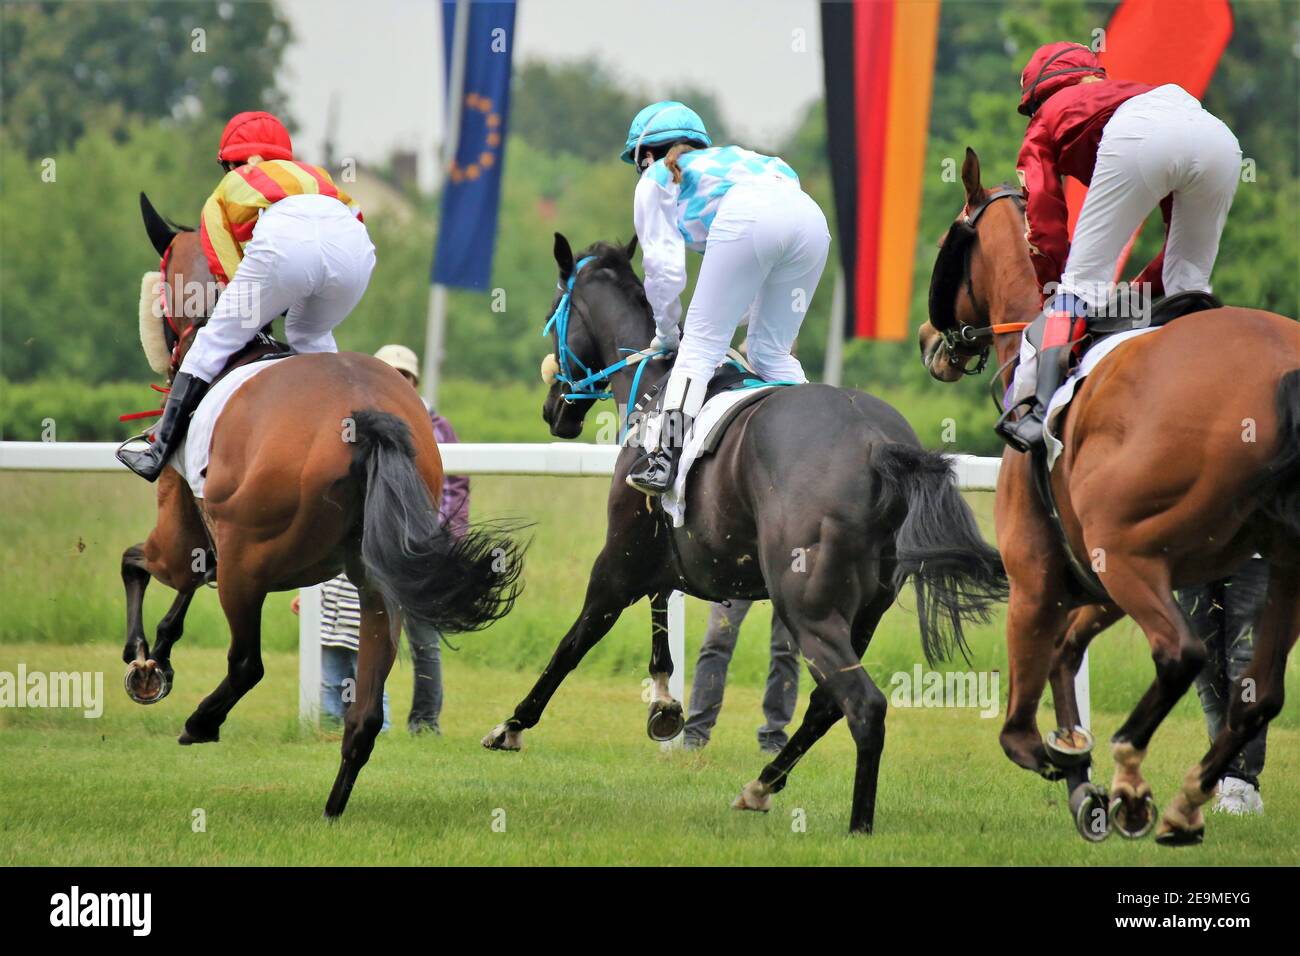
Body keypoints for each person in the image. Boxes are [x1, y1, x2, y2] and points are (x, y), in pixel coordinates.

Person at [998, 42, 1242, 454]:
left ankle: (1036, 411)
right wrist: (1135, 293)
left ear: (1039, 96)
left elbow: (1043, 221)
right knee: (1188, 285)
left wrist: (1054, 288)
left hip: (1139, 135)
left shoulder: (1045, 121)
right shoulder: (1130, 93)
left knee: (1079, 286)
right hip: (1219, 138)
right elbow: (1170, 257)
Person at [118, 110, 376, 480]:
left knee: (214, 340)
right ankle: (345, 432)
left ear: (234, 163)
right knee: (310, 333)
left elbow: (229, 273)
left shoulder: (226, 191)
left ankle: (157, 451)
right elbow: (354, 220)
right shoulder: (316, 174)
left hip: (288, 249)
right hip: (354, 250)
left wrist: (258, 309)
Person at [621, 101, 831, 494]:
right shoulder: (734, 161)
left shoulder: (654, 180)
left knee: (697, 349)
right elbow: (748, 287)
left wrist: (668, 334)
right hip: (810, 220)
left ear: (645, 156)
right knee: (772, 354)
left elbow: (664, 271)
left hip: (752, 218)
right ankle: (820, 439)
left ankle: (662, 459)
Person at [373, 343, 470, 733]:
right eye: (389, 374)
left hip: (423, 550)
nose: (397, 382)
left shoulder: (437, 426)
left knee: (425, 641)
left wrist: (444, 539)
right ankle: (369, 717)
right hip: (375, 545)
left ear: (414, 381)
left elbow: (456, 486)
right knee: (368, 632)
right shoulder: (359, 422)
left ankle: (425, 722)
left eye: (404, 376)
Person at [1178, 558, 1269, 815]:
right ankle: (1228, 773)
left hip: (1254, 549)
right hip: (1193, 551)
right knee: (1205, 668)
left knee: (1246, 664)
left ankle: (1238, 780)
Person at [683, 600, 800, 753]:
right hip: (740, 576)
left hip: (786, 576)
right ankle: (695, 734)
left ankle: (775, 737)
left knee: (786, 649)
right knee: (717, 639)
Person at [299, 572, 392, 732]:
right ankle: (332, 725)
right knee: (334, 683)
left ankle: (379, 729)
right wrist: (311, 599)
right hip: (330, 628)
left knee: (369, 683)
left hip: (361, 630)